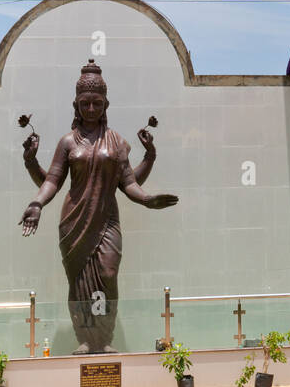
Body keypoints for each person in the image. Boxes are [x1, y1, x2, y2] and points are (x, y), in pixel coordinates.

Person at [18, 60, 178, 354]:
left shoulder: (116, 142)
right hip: (74, 222)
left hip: (107, 221)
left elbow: (128, 183)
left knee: (107, 275)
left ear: (106, 103)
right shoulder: (67, 142)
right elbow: (52, 180)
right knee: (78, 281)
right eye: (85, 103)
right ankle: (84, 338)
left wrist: (147, 200)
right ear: (75, 104)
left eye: (97, 103)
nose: (91, 109)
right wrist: (36, 202)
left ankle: (104, 338)